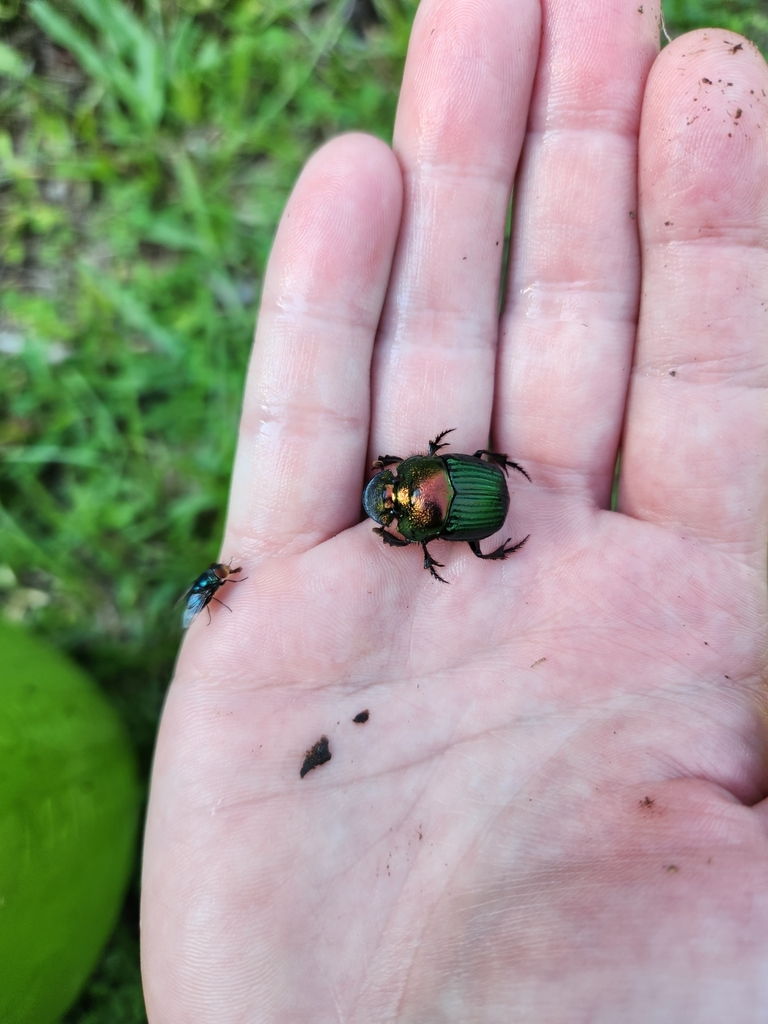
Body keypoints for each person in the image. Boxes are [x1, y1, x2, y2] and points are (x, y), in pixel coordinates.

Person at [141, 0, 768, 1019]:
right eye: (398, 506)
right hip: (484, 493)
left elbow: (446, 484)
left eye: (395, 499)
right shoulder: (431, 504)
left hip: (483, 495)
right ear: (412, 512)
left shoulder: (434, 510)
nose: (394, 502)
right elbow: (444, 480)